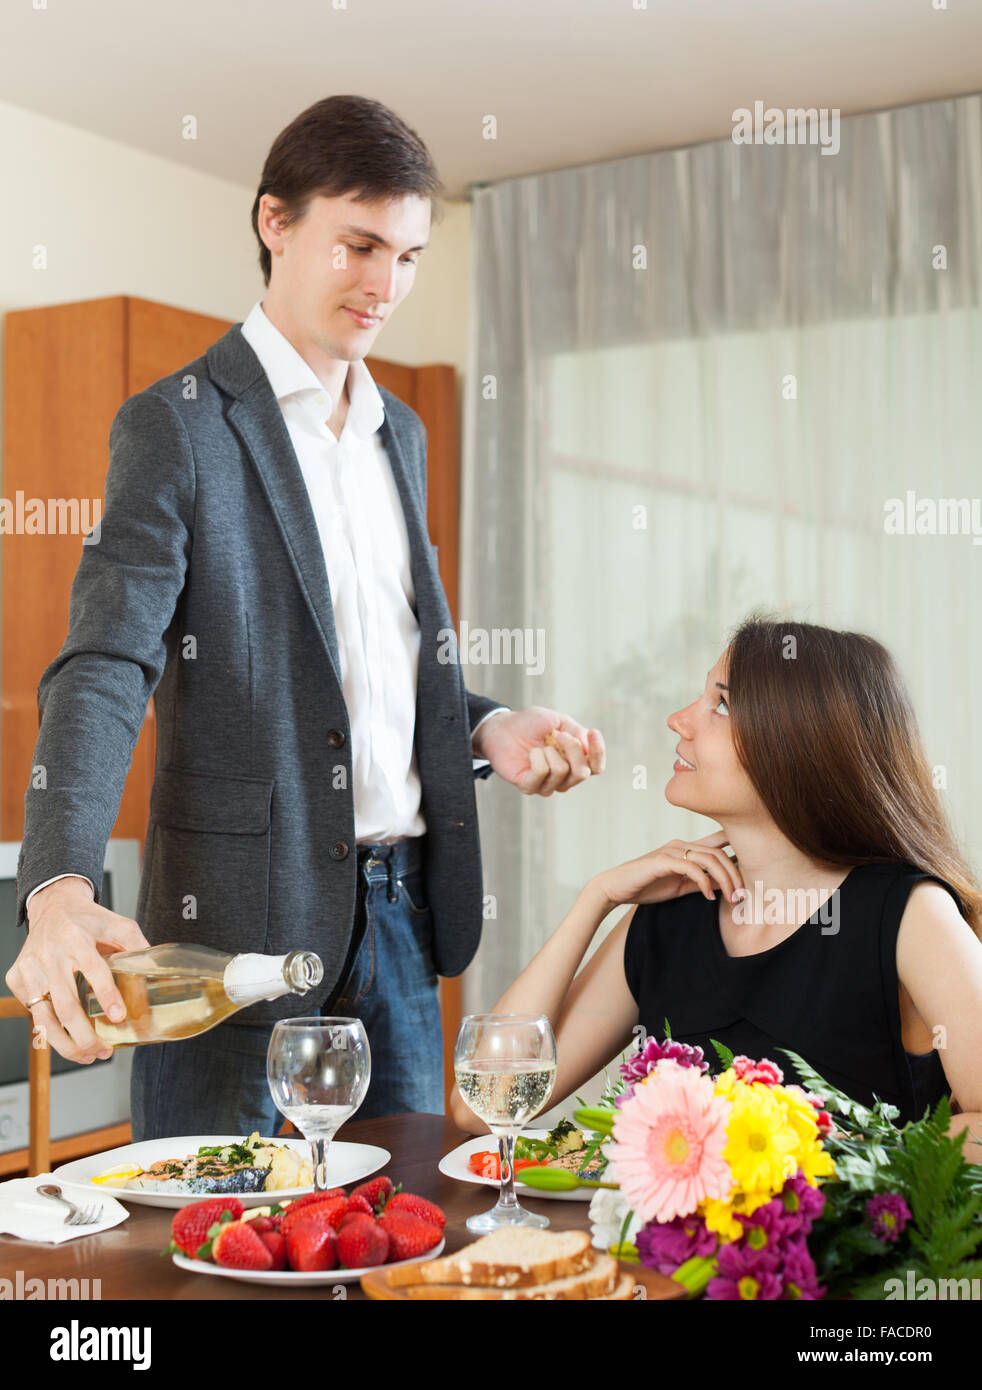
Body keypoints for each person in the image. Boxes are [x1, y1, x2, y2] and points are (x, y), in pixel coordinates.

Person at [7, 94, 605, 1138]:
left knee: (396, 1246)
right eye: (359, 244)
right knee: (214, 1241)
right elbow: (104, 663)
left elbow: (358, 669)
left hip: (402, 923)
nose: (385, 285)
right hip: (234, 933)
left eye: (410, 255)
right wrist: (57, 880)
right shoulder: (177, 426)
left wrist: (482, 724)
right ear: (274, 223)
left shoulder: (399, 431)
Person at [450, 616, 982, 1158]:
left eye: (721, 705)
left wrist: (818, 1159)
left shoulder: (910, 916)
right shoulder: (669, 914)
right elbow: (483, 1106)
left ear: (801, 742)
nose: (678, 720)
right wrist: (596, 900)